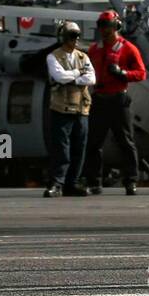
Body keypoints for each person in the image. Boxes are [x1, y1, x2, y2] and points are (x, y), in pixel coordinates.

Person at [84, 9, 146, 195]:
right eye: (102, 26)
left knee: (125, 141)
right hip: (99, 99)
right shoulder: (94, 49)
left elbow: (141, 73)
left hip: (118, 98)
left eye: (108, 26)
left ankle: (131, 181)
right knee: (94, 143)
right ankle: (94, 182)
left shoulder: (127, 48)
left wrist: (123, 74)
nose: (105, 30)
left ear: (116, 26)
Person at [44, 21, 94, 198]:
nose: (77, 39)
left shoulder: (84, 57)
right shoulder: (53, 57)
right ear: (63, 37)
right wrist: (77, 74)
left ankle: (72, 182)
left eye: (78, 35)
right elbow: (59, 76)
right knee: (61, 148)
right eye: (73, 36)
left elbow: (92, 78)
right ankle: (57, 183)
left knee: (79, 147)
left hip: (81, 109)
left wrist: (73, 77)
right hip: (61, 109)